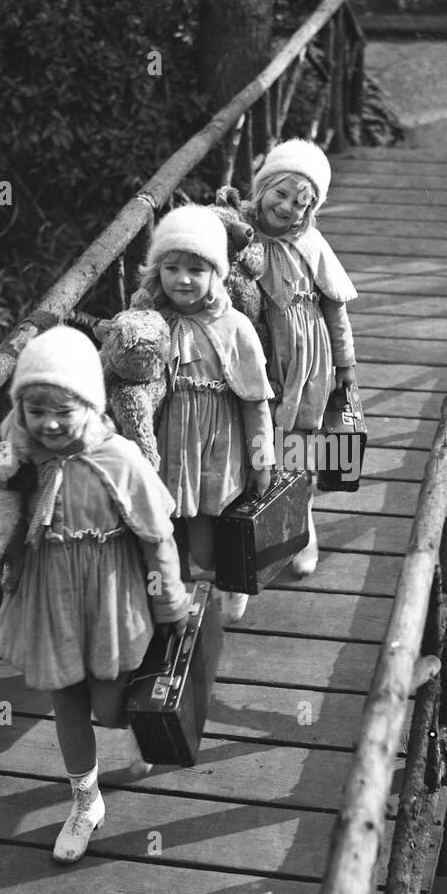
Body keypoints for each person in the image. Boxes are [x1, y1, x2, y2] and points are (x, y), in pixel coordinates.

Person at [0, 325, 189, 864]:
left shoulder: (119, 458)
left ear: (90, 404)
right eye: (35, 410)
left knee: (111, 705)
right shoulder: (22, 459)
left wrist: (169, 602)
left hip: (111, 597)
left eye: (63, 409)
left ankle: (137, 734)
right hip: (50, 597)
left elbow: (156, 534)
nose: (48, 423)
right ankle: (85, 801)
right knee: (66, 701)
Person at [134, 203, 274, 621]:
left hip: (215, 442)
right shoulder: (151, 321)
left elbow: (255, 400)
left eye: (197, 270)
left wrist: (261, 455)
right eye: (172, 268)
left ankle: (225, 580)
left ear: (217, 274)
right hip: (168, 438)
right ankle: (175, 608)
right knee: (167, 528)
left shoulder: (234, 327)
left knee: (205, 537)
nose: (183, 280)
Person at [245, 138, 358, 575]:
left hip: (308, 356)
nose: (288, 207)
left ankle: (302, 523)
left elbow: (335, 303)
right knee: (258, 439)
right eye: (281, 194)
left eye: (300, 203)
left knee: (301, 443)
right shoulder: (241, 236)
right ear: (263, 188)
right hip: (261, 353)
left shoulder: (310, 243)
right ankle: (258, 529)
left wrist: (345, 362)